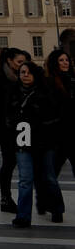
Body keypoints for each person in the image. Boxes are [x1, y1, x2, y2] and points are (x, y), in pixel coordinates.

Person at [9, 61, 64, 226]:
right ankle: (23, 216)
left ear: (35, 74)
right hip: (23, 140)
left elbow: (55, 117)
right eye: (22, 72)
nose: (25, 75)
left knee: (49, 177)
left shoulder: (46, 93)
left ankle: (57, 208)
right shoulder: (14, 93)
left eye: (28, 72)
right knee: (25, 179)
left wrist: (40, 123)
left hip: (44, 142)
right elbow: (7, 113)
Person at [0, 48, 29, 214]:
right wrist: (8, 116)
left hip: (24, 129)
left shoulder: (25, 77)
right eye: (19, 62)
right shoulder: (1, 80)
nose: (22, 65)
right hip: (7, 129)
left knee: (26, 164)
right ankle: (5, 197)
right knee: (8, 164)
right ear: (9, 61)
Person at [46, 49, 75, 180]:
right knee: (52, 173)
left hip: (72, 133)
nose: (65, 63)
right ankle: (46, 200)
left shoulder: (73, 79)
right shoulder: (50, 82)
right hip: (58, 134)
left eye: (67, 60)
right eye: (61, 60)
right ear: (54, 63)